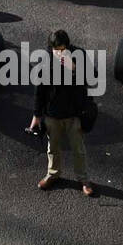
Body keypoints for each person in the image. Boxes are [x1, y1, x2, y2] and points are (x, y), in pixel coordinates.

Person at [27, 29, 95, 195]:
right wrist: (36, 116)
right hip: (52, 114)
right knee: (53, 148)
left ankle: (83, 179)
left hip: (74, 114)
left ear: (68, 46)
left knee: (78, 148)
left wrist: (74, 68)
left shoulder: (79, 55)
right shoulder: (45, 60)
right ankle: (53, 174)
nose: (59, 53)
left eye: (63, 49)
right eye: (56, 50)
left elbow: (93, 78)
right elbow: (40, 90)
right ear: (50, 48)